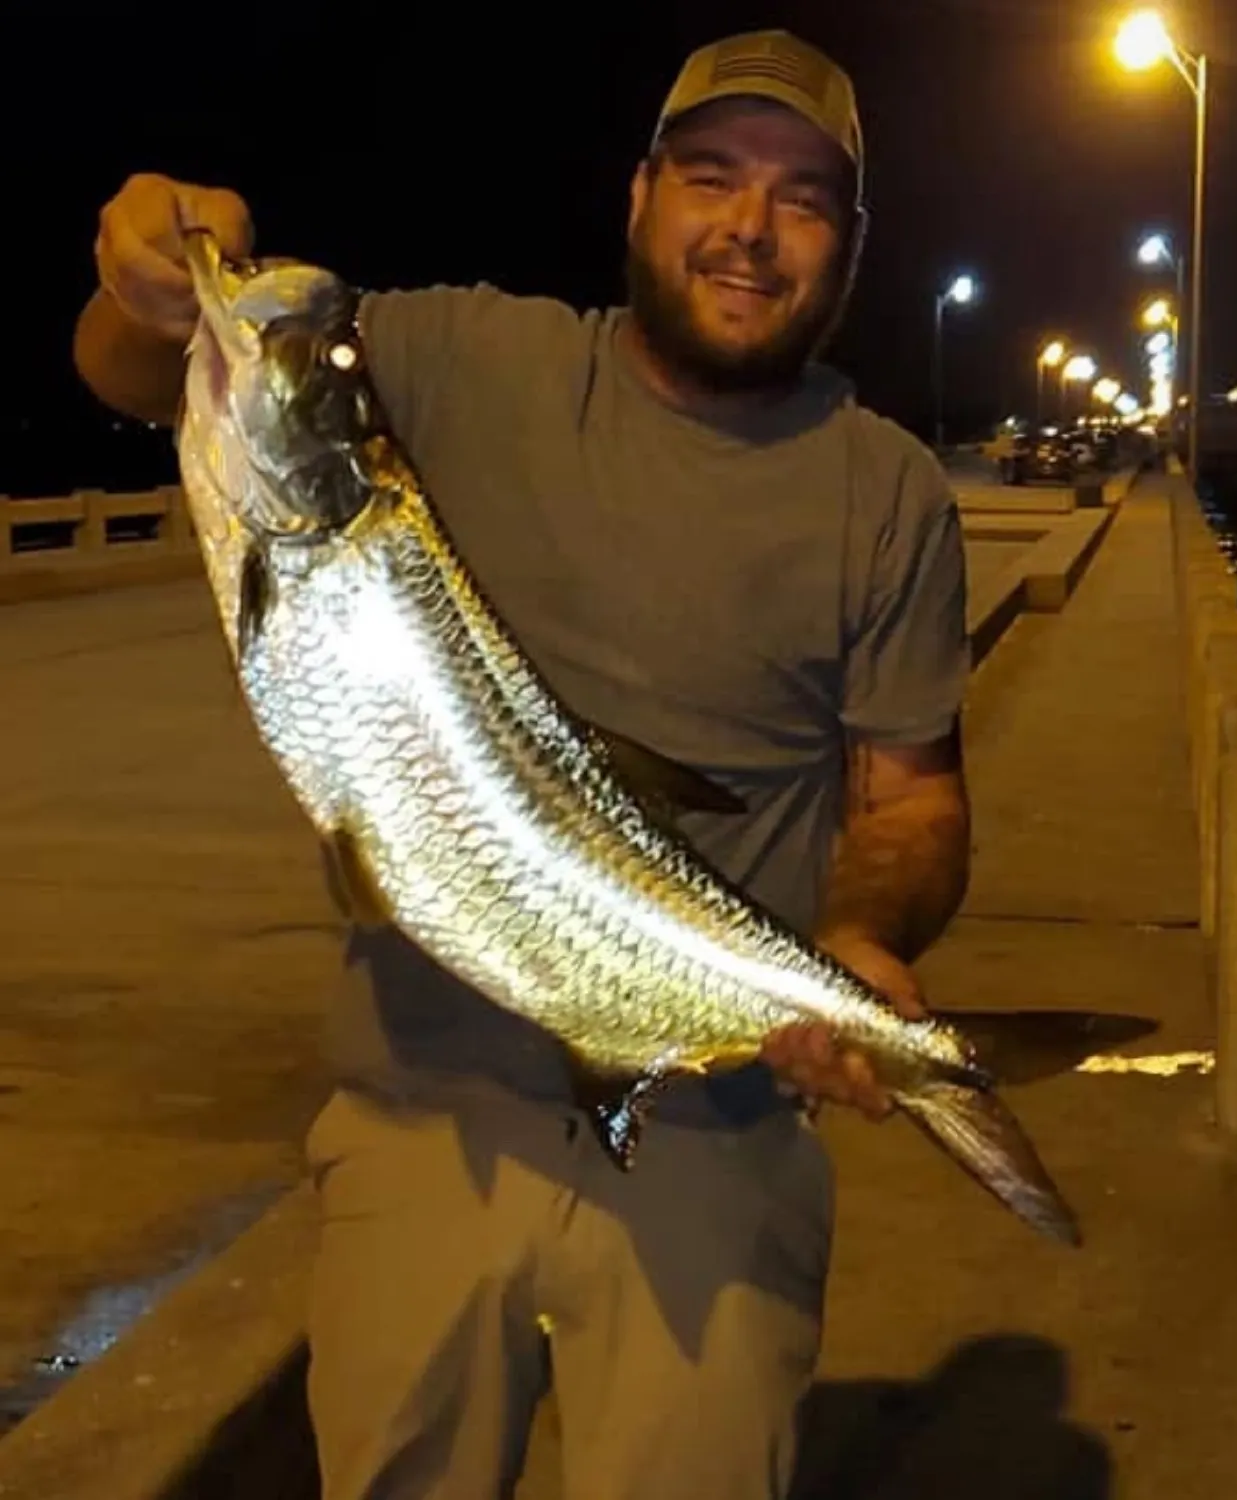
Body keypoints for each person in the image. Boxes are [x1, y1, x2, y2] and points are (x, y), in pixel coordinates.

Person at [76, 28, 973, 1500]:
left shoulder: (887, 491)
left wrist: (864, 937)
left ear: (852, 246)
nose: (749, 227)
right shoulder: (458, 358)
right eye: (711, 178)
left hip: (719, 1127)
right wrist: (142, 281)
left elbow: (913, 796)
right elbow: (131, 372)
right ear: (638, 197)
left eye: (803, 199)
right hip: (421, 1113)